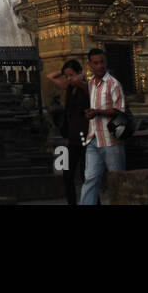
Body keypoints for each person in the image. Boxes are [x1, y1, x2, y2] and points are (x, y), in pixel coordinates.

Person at [79, 48, 125, 205]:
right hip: (93, 138)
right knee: (90, 178)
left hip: (111, 139)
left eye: (102, 62)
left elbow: (119, 110)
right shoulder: (91, 84)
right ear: (90, 65)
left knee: (116, 179)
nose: (100, 66)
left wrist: (98, 112)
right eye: (96, 63)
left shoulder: (113, 84)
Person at [47, 58, 90, 206]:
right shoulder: (69, 87)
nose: (69, 78)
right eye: (67, 76)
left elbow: (86, 87)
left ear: (79, 73)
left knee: (87, 174)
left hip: (85, 135)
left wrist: (81, 76)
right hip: (73, 137)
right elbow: (50, 77)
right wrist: (64, 70)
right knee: (67, 174)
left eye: (71, 75)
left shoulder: (86, 87)